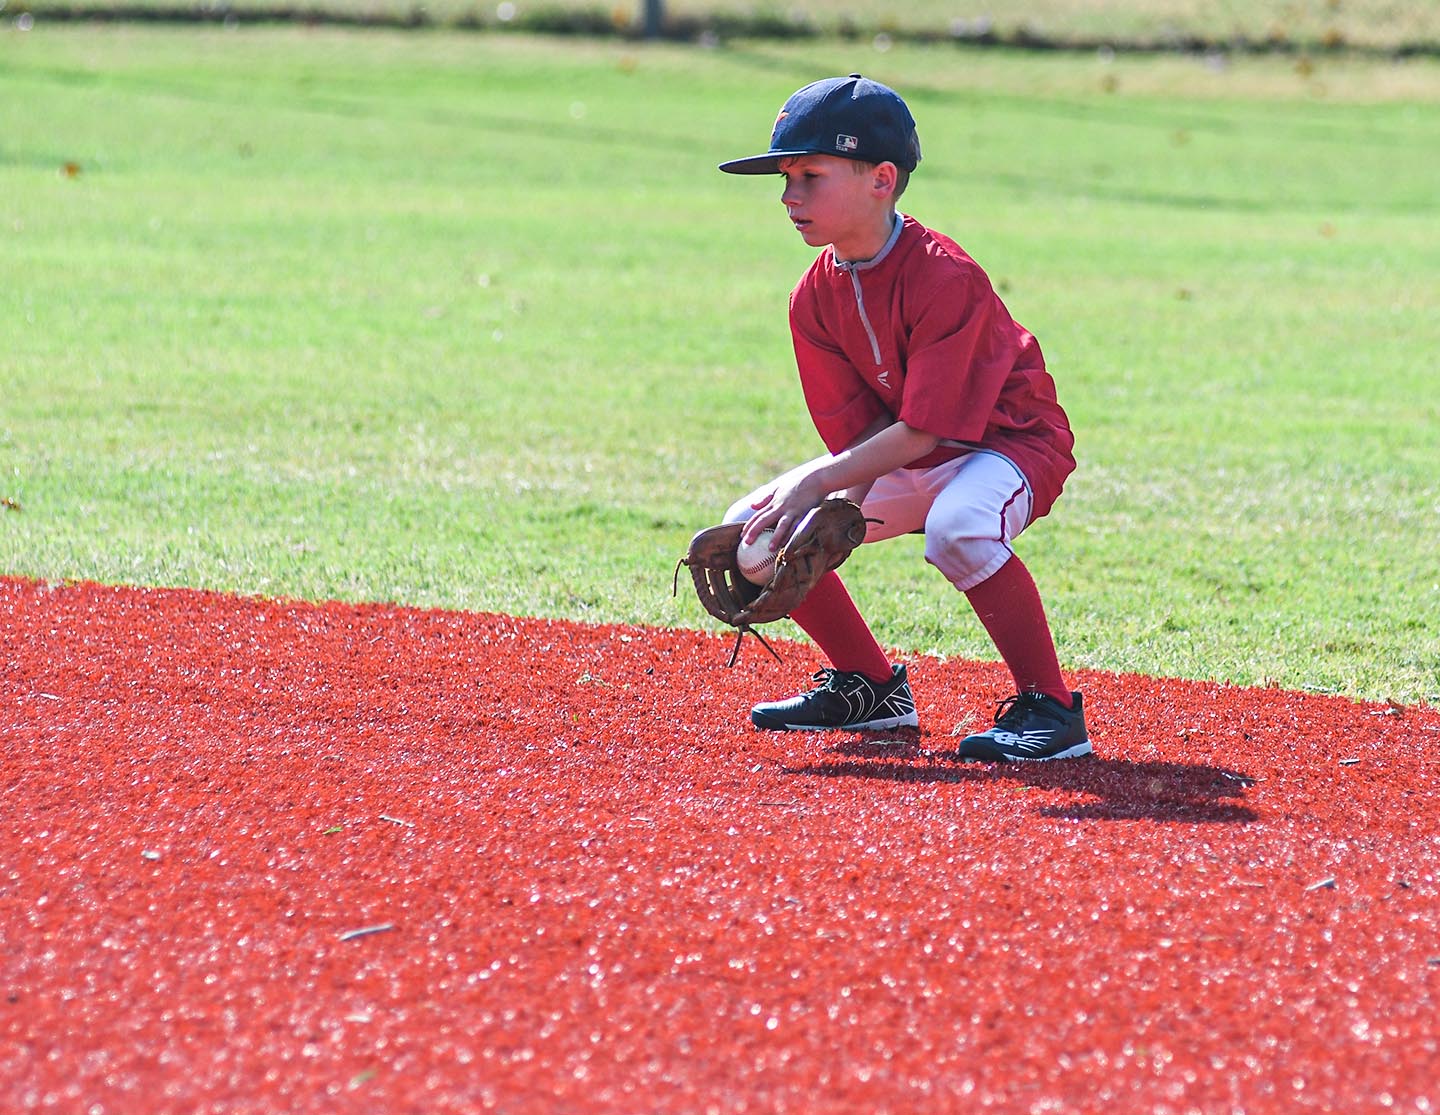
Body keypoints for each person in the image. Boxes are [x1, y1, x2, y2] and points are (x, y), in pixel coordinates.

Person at [716, 74, 1090, 761]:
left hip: (1006, 445)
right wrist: (835, 513)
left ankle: (1053, 709)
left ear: (881, 179)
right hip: (910, 452)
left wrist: (818, 486)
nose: (788, 195)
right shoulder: (813, 297)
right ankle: (870, 689)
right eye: (785, 178)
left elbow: (927, 428)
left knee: (959, 529)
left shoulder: (944, 277)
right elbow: (861, 433)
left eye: (809, 175)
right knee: (757, 538)